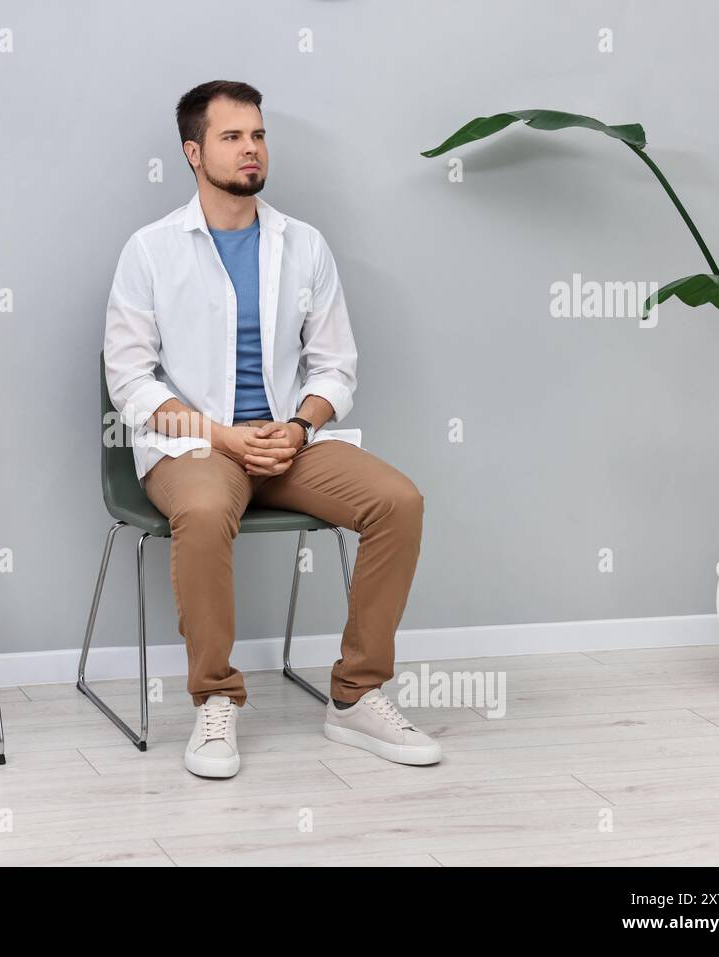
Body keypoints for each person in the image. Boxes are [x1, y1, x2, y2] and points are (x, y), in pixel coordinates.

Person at [103, 80, 440, 778]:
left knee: (397, 501)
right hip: (196, 445)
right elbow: (131, 382)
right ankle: (215, 700)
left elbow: (336, 366)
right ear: (194, 152)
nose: (251, 148)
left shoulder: (305, 246)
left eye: (257, 134)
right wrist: (222, 438)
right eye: (232, 137)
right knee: (200, 509)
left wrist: (297, 425)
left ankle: (355, 694)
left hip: (286, 442)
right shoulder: (150, 250)